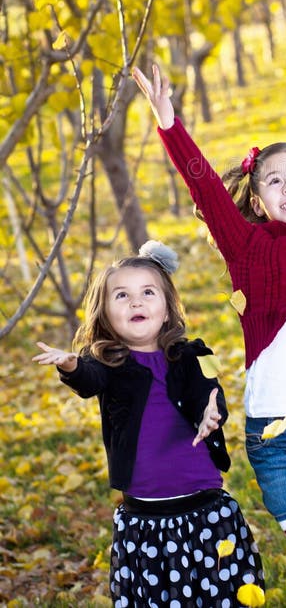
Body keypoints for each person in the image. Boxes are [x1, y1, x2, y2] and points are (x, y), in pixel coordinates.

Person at [131, 41, 286, 572]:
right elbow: (206, 193)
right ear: (257, 198)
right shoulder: (248, 248)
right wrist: (170, 124)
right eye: (274, 180)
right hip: (275, 431)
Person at [33, 240, 265, 608]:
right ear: (106, 314)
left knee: (219, 595)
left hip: (204, 508)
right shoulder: (109, 364)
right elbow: (88, 380)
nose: (136, 302)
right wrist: (71, 365)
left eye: (147, 292)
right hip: (145, 519)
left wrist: (211, 411)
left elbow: (209, 390)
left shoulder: (191, 355)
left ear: (168, 307)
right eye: (121, 295)